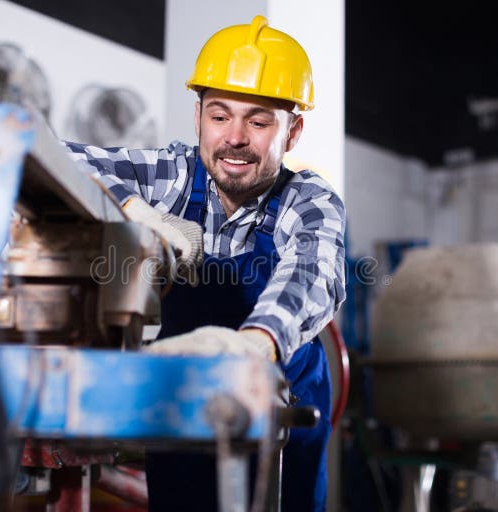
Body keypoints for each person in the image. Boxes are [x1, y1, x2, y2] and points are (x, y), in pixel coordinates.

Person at [66, 15, 346, 512]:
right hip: (181, 400)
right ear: (198, 117)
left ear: (293, 131)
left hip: (284, 408)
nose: (234, 137)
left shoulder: (308, 198)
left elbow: (312, 271)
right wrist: (136, 211)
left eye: (258, 122)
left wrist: (251, 347)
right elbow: (54, 158)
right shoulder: (172, 175)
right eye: (220, 116)